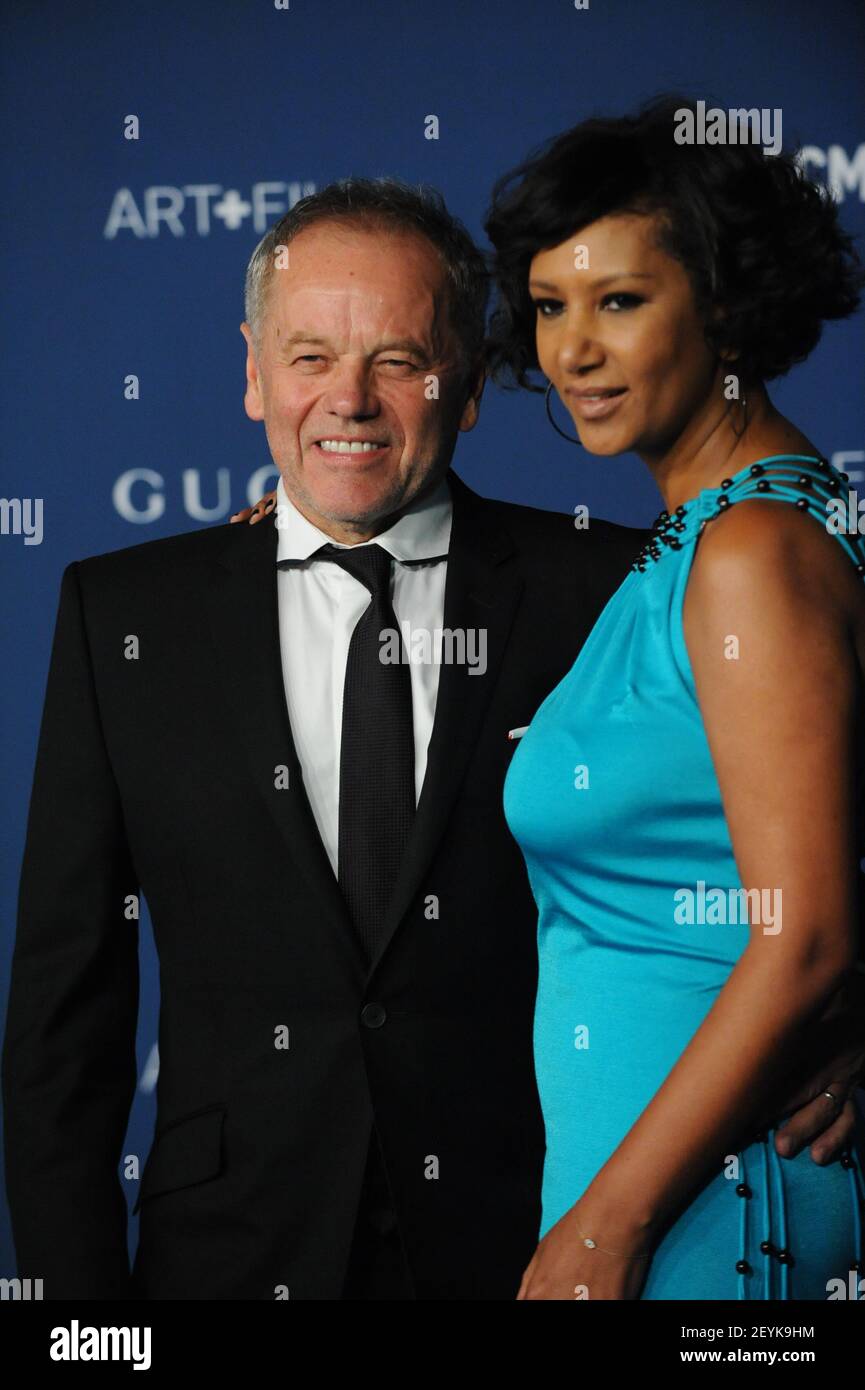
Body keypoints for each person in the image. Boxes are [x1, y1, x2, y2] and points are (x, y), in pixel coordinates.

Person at [4, 176, 862, 1302]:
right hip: (226, 1258)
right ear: (254, 369)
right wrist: (82, 1331)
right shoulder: (129, 617)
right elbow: (66, 1018)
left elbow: (786, 856)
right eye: (310, 357)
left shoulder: (611, 585)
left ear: (465, 385)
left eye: (399, 360)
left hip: (537, 1243)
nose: (348, 401)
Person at [487, 95, 865, 1299]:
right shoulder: (704, 543)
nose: (571, 352)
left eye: (620, 301)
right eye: (550, 306)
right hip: (665, 1196)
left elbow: (801, 930)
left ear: (724, 302)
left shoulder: (752, 552)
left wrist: (609, 1224)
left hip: (713, 1214)